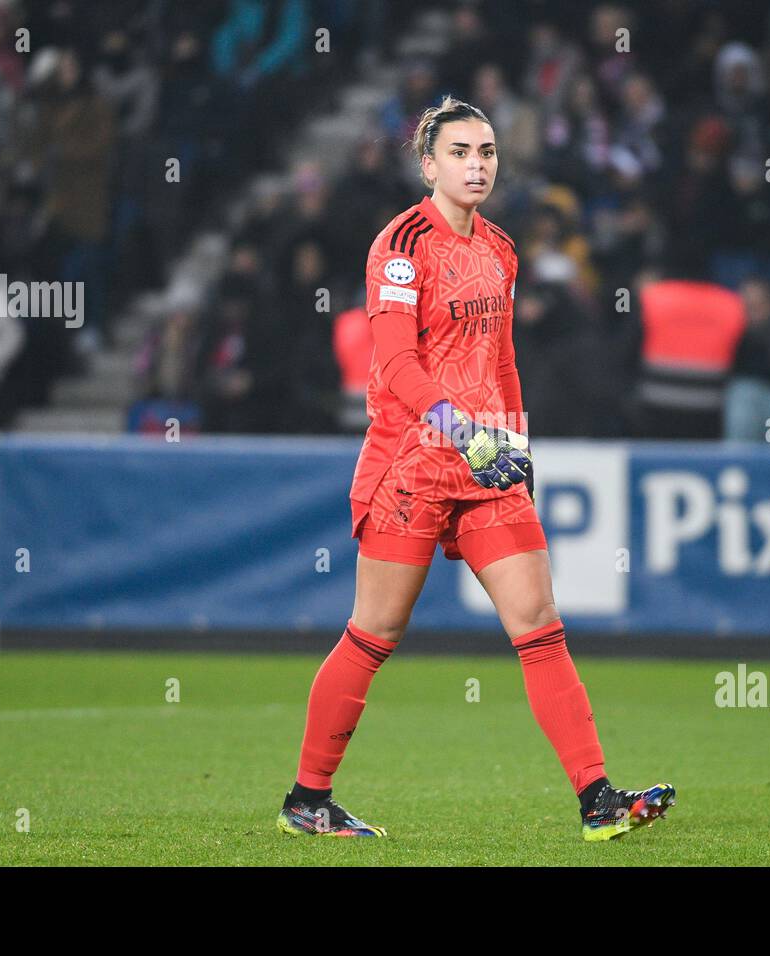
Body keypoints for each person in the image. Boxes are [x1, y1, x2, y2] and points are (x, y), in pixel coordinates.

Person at [276, 96, 675, 842]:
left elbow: (501, 361)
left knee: (540, 624)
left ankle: (597, 801)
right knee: (375, 630)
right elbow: (394, 363)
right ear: (428, 165)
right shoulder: (399, 245)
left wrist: (517, 447)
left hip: (488, 466)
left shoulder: (501, 248)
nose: (477, 165)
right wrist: (463, 432)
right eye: (460, 152)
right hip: (412, 464)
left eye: (487, 152)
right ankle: (307, 797)